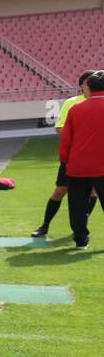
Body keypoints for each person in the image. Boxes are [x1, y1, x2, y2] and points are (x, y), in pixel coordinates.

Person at [32, 71, 99, 238]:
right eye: (87, 82)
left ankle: (80, 228)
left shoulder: (99, 101)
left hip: (97, 158)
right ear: (82, 85)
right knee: (61, 190)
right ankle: (45, 225)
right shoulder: (72, 103)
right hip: (74, 157)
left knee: (93, 192)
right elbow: (60, 128)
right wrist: (83, 137)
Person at [59, 70, 104, 249]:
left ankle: (81, 239)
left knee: (77, 204)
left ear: (89, 88)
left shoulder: (75, 109)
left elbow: (66, 140)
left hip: (78, 166)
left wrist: (65, 160)